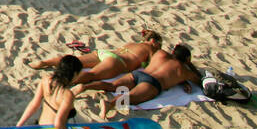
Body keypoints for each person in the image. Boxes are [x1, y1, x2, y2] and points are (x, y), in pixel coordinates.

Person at [79, 44, 202, 116]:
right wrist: (189, 66)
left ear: (173, 52)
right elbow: (198, 80)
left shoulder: (160, 53)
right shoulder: (184, 71)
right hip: (152, 84)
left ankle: (84, 87)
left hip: (139, 74)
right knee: (129, 97)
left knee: (112, 85)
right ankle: (109, 104)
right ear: (186, 59)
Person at [30, 30, 162, 85]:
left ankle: (43, 62)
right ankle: (60, 81)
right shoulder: (151, 49)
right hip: (118, 62)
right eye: (159, 45)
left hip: (104, 53)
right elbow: (152, 66)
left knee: (74, 61)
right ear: (153, 42)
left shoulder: (132, 44)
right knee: (92, 75)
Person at [16, 55, 82, 129]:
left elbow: (34, 104)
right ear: (74, 74)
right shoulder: (67, 95)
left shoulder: (46, 80)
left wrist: (19, 124)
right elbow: (58, 124)